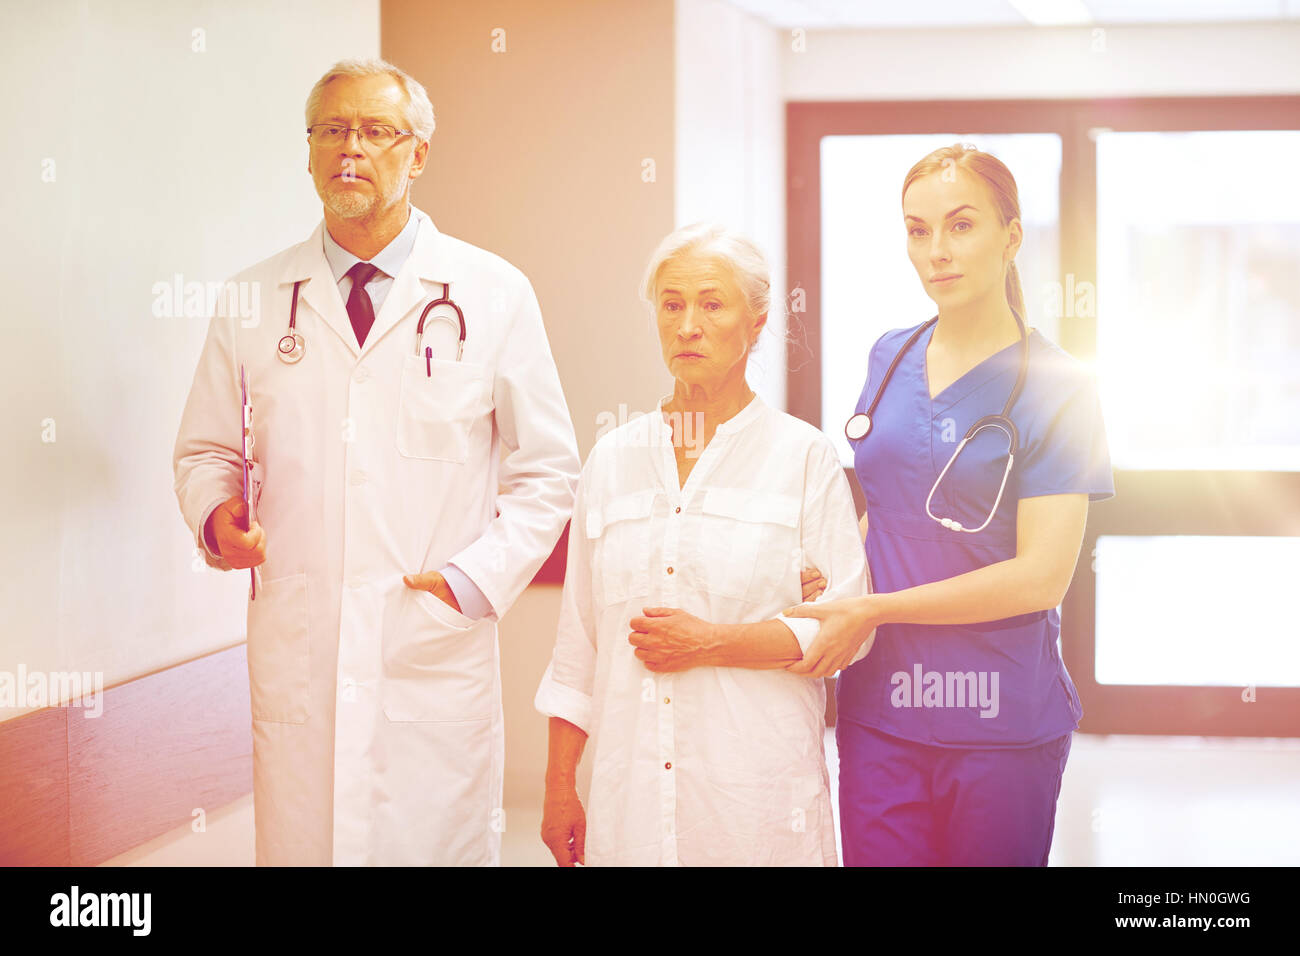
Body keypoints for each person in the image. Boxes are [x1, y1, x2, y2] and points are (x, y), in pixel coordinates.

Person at [172, 58, 579, 865]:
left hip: (428, 643)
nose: (348, 149)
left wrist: (472, 581)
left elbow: (548, 472)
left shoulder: (492, 292)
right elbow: (206, 449)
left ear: (418, 153)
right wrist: (218, 519)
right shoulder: (253, 299)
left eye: (373, 131)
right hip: (304, 645)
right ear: (310, 151)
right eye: (330, 130)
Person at [785, 143, 1114, 866]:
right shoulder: (889, 355)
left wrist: (875, 608)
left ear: (1012, 236)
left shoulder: (1060, 387)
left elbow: (1041, 578)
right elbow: (886, 509)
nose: (937, 250)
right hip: (882, 709)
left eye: (961, 225)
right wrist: (843, 581)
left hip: (1000, 717)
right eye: (917, 229)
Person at [534, 223, 871, 866]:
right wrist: (558, 789)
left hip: (756, 805)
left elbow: (847, 631)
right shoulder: (611, 460)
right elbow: (578, 646)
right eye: (671, 304)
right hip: (630, 802)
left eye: (712, 304)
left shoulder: (802, 457)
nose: (688, 324)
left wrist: (711, 642)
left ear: (757, 321)